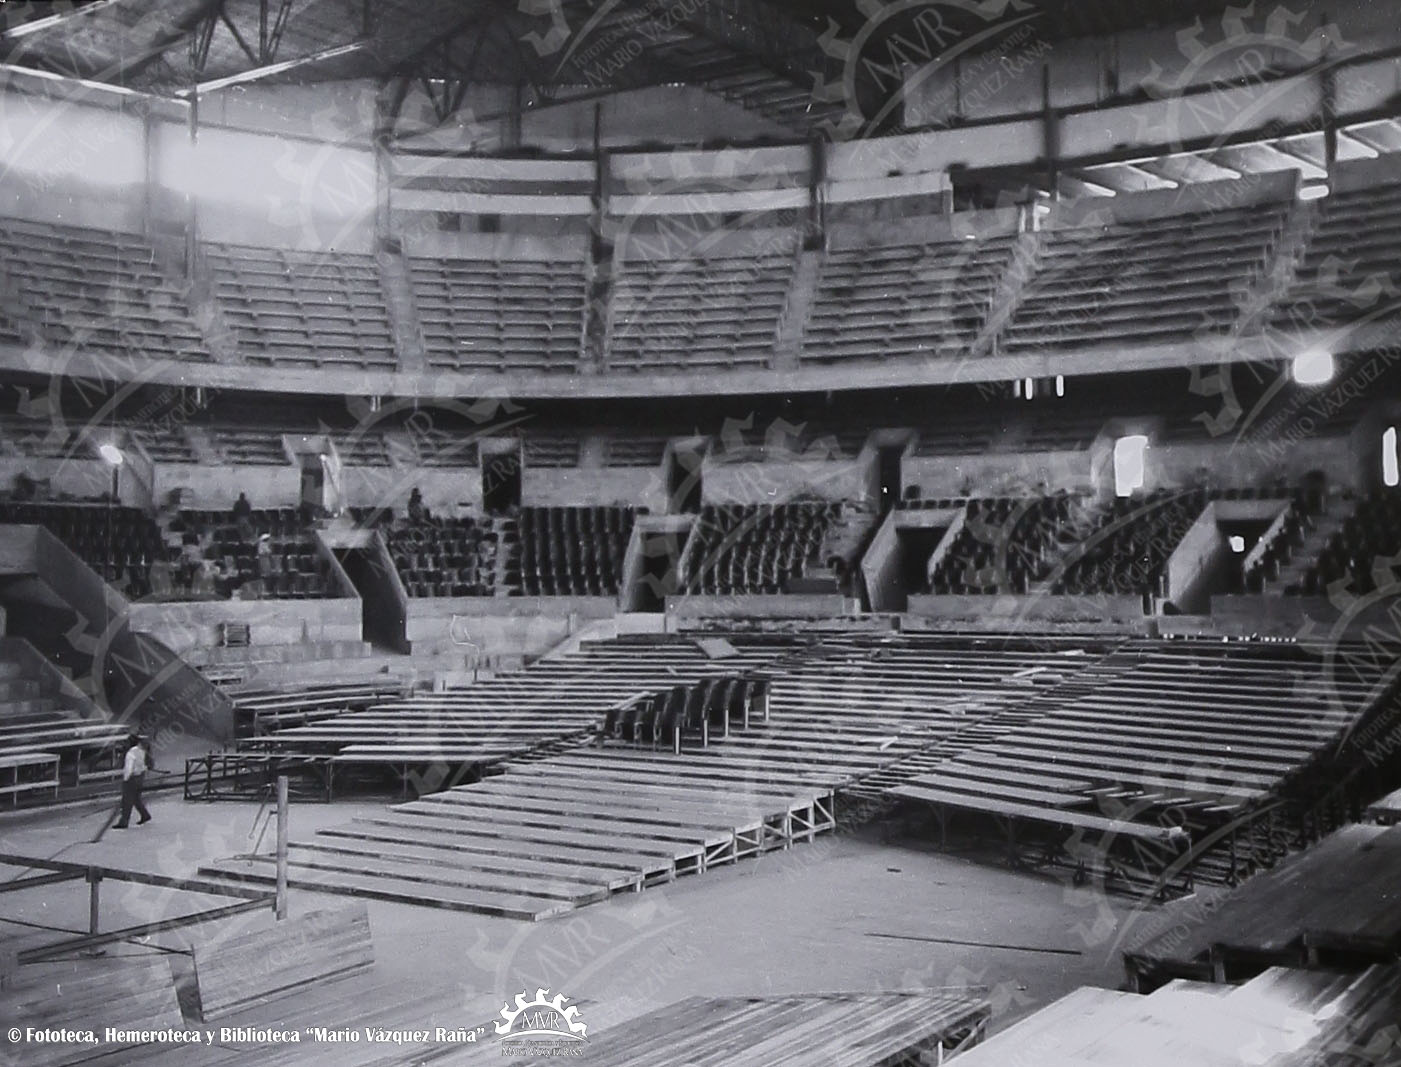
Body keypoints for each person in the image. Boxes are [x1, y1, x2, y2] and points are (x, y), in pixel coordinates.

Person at [113, 735, 151, 828]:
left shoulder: (130, 753)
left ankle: (124, 821)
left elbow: (128, 768)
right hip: (140, 776)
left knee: (127, 800)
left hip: (132, 778)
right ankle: (145, 814)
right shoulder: (141, 751)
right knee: (136, 798)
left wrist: (125, 779)